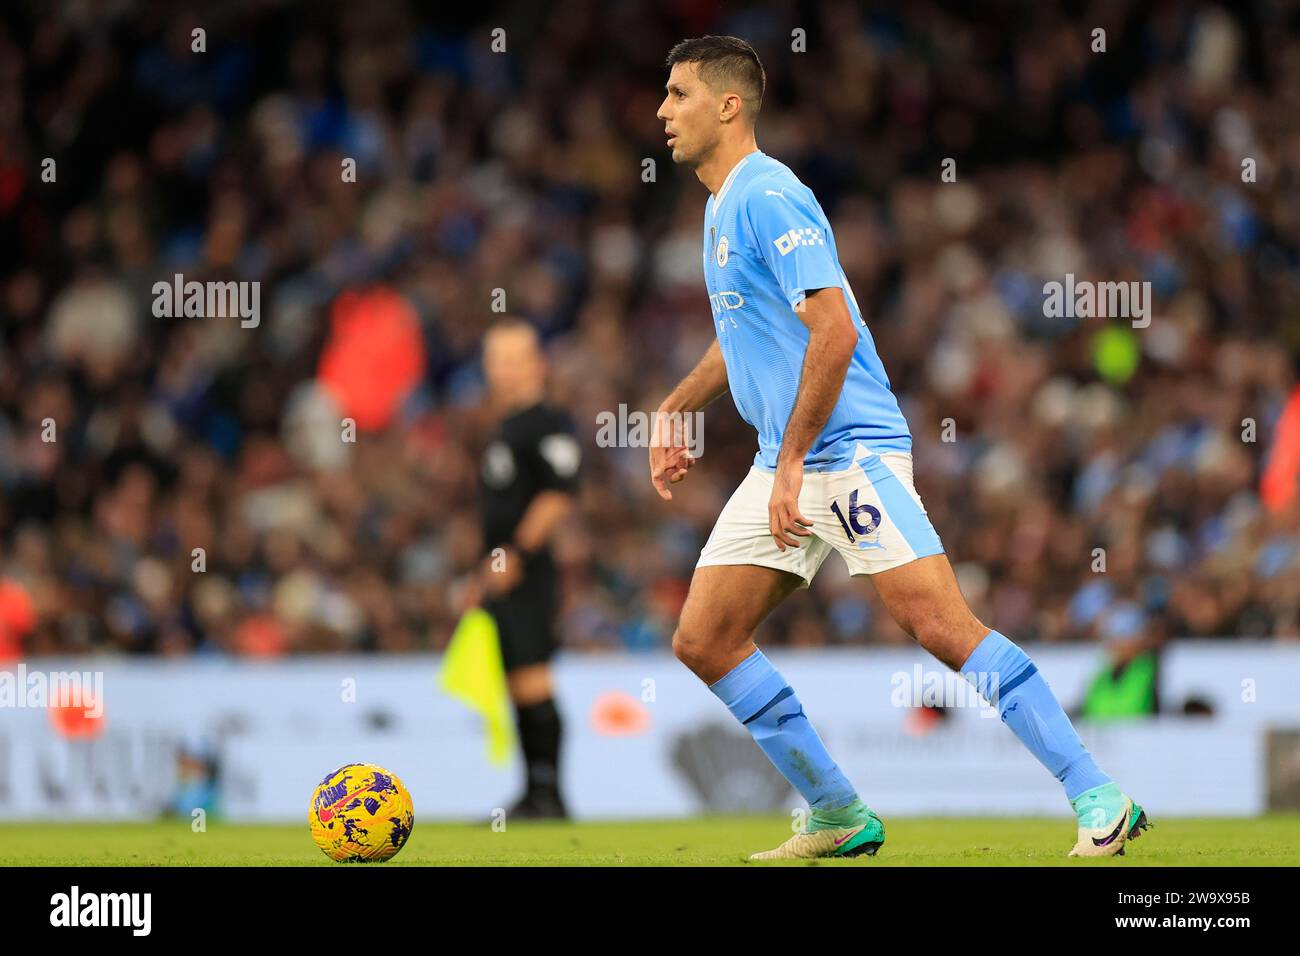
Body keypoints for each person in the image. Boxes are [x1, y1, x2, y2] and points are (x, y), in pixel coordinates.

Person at [652, 35, 1151, 859]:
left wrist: (791, 462)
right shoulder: (720, 207)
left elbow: (835, 330)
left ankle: (1099, 796)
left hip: (845, 449)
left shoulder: (768, 194)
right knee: (703, 638)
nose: (662, 112)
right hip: (788, 453)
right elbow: (746, 331)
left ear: (728, 105)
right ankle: (839, 813)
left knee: (939, 625)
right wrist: (677, 404)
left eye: (677, 95)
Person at [471, 320, 581, 819]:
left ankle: (549, 794)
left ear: (539, 364)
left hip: (527, 573)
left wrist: (513, 553)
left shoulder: (548, 422)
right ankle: (534, 792)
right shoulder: (507, 426)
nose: (503, 370)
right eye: (495, 360)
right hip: (503, 572)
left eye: (513, 359)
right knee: (518, 678)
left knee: (534, 676)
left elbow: (558, 495)